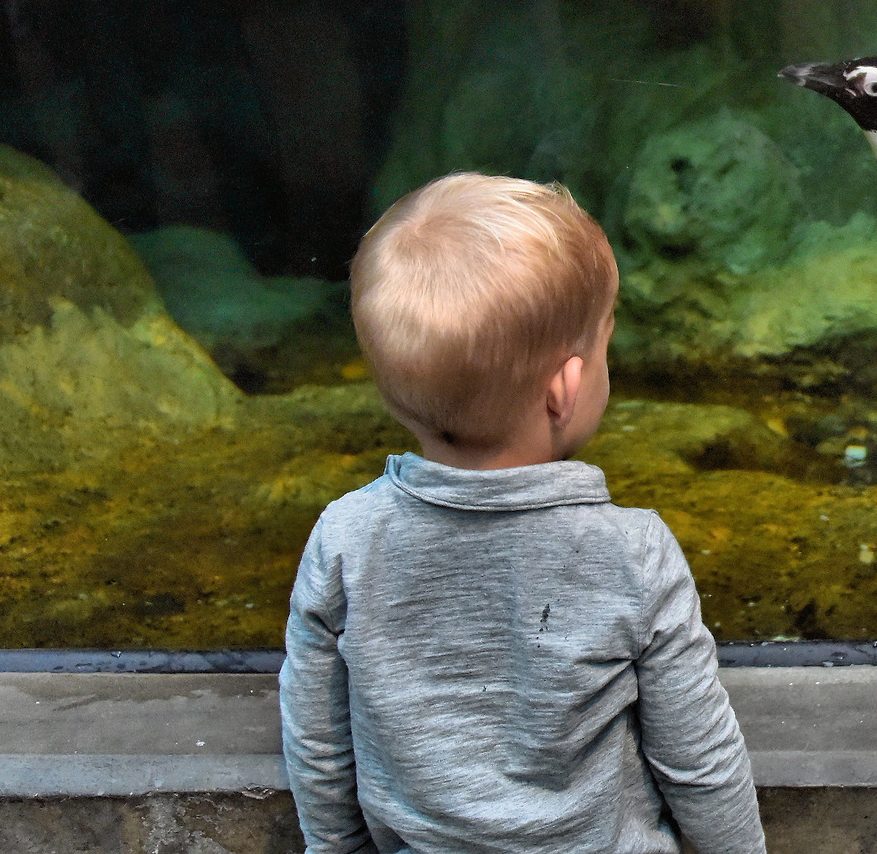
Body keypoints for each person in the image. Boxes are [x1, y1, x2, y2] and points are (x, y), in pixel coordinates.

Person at [279, 172, 765, 854]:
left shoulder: (346, 540)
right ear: (566, 387)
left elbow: (317, 740)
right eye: (603, 343)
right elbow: (700, 762)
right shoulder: (634, 553)